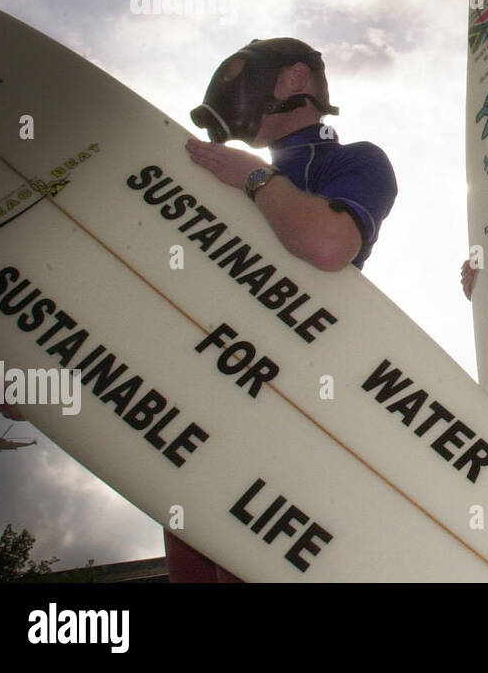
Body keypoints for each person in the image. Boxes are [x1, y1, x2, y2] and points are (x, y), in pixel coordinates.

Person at [163, 37, 398, 582]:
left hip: (294, 413)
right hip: (198, 424)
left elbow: (329, 244)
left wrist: (252, 177)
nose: (226, 91)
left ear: (295, 80)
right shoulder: (211, 173)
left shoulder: (353, 160)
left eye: (240, 76)